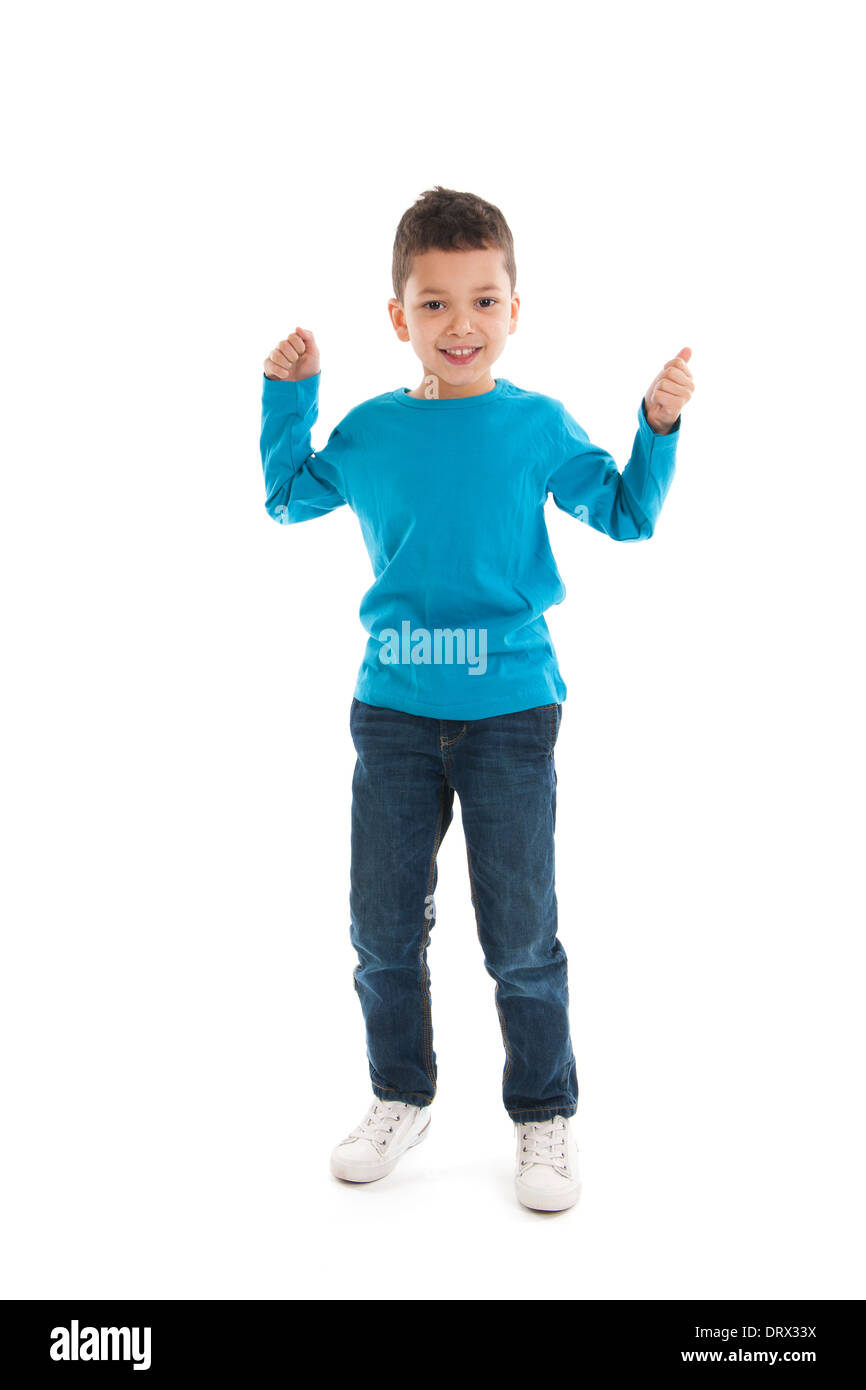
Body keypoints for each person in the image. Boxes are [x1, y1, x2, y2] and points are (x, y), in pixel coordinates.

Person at [259, 186, 694, 1212]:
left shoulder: (535, 425)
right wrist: (290, 396)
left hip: (510, 713)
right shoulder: (368, 433)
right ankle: (398, 1094)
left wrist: (656, 425)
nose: (462, 325)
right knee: (379, 926)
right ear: (398, 317)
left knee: (519, 932)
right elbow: (286, 497)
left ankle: (543, 1116)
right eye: (436, 304)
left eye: (484, 302)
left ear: (514, 309)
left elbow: (626, 515)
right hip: (394, 712)